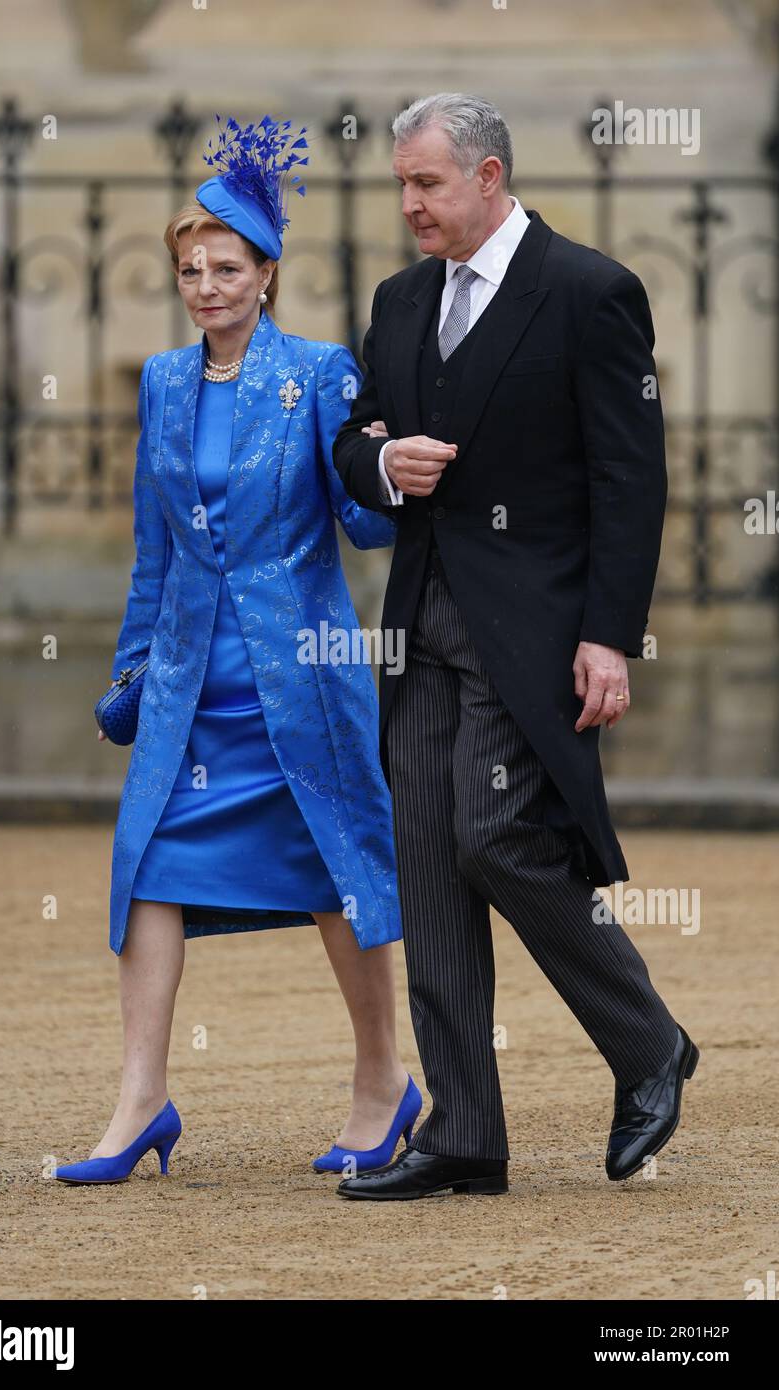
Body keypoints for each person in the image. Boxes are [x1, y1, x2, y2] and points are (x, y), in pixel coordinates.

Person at [332, 92, 699, 1201]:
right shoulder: (399, 303)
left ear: (488, 176)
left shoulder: (587, 292)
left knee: (497, 835)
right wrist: (382, 467)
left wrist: (607, 635)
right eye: (400, 184)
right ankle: (464, 1136)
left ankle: (647, 1046)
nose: (409, 204)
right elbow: (353, 437)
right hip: (421, 623)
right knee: (433, 864)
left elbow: (630, 482)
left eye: (427, 183)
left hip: (534, 632)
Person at [54, 116, 421, 1186]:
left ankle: (381, 1080)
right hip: (185, 683)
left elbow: (365, 524)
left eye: (226, 267)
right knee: (149, 871)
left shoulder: (318, 374)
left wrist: (389, 466)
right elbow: (153, 547)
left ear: (267, 273)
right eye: (189, 270)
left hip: (298, 674)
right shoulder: (164, 383)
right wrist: (130, 670)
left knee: (333, 875)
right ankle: (141, 1098)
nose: (207, 286)